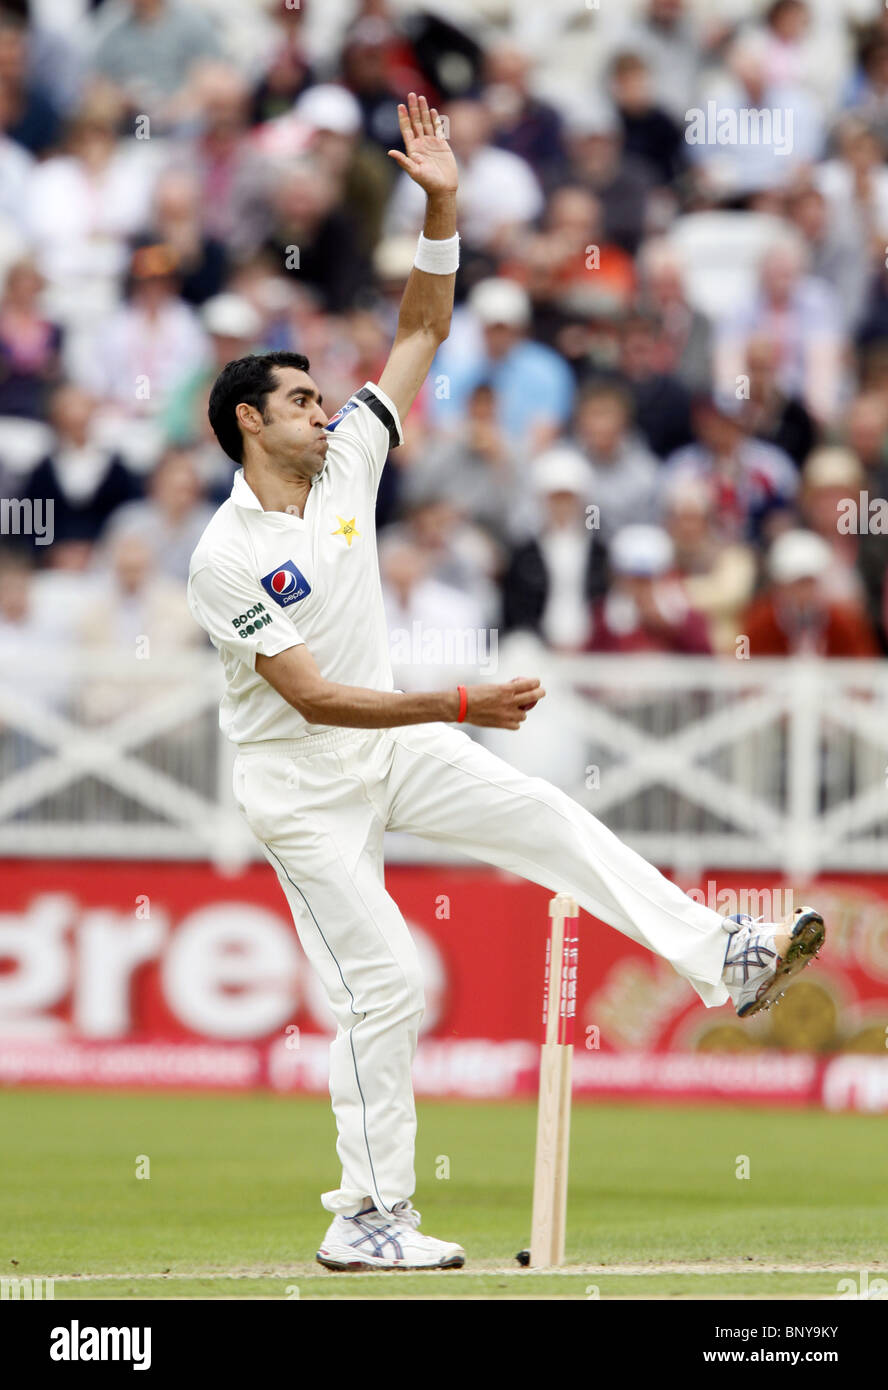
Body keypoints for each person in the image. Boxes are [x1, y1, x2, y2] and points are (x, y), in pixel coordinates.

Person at [187, 95, 826, 1274]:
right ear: (244, 423)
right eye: (299, 403)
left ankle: (721, 957)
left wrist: (441, 207)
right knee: (383, 985)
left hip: (391, 746)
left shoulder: (349, 465)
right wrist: (458, 704)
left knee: (544, 814)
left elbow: (423, 329)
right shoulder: (222, 555)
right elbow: (315, 697)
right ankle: (365, 1216)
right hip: (304, 787)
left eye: (326, 399)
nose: (327, 412)